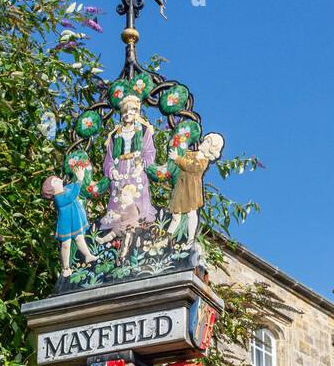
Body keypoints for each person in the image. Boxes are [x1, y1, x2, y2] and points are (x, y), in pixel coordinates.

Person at [97, 95, 156, 240]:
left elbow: (150, 152)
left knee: (137, 199)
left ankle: (138, 229)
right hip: (120, 171)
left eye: (132, 111)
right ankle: (114, 235)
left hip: (135, 170)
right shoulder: (115, 135)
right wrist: (112, 170)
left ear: (137, 112)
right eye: (125, 111)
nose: (128, 114)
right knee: (118, 201)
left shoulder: (143, 130)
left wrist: (142, 164)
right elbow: (109, 159)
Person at [167, 131, 225, 244]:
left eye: (208, 142)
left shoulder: (203, 161)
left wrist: (177, 159)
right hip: (181, 185)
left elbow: (191, 166)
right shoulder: (194, 154)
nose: (204, 142)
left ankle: (190, 238)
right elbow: (185, 154)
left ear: (212, 148)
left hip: (192, 189)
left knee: (191, 213)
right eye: (206, 140)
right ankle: (168, 235)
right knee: (176, 212)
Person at [41, 174, 95, 276]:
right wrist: (79, 180)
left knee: (79, 238)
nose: (58, 179)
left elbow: (72, 186)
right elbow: (72, 196)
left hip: (74, 220)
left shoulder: (66, 189)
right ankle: (65, 267)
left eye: (57, 179)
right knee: (66, 244)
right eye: (55, 181)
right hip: (65, 224)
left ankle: (88, 255)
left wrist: (78, 174)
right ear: (52, 190)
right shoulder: (58, 199)